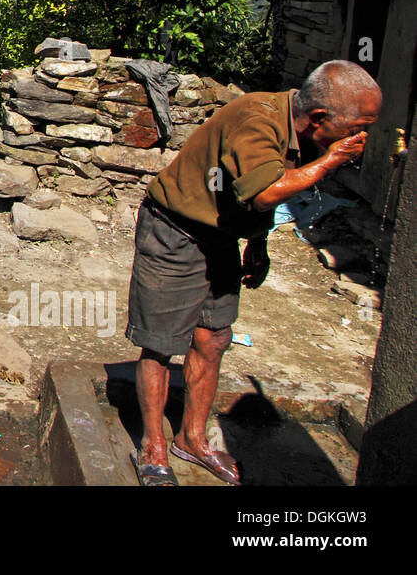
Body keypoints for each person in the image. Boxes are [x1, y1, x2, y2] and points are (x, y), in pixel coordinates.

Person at [126, 60, 381, 486]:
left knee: (214, 336)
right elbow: (263, 192)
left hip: (221, 235)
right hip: (175, 229)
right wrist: (331, 161)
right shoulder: (257, 120)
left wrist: (257, 244)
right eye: (357, 127)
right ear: (320, 119)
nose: (361, 138)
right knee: (160, 343)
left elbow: (251, 195)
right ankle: (152, 446)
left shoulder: (299, 131)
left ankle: (192, 439)